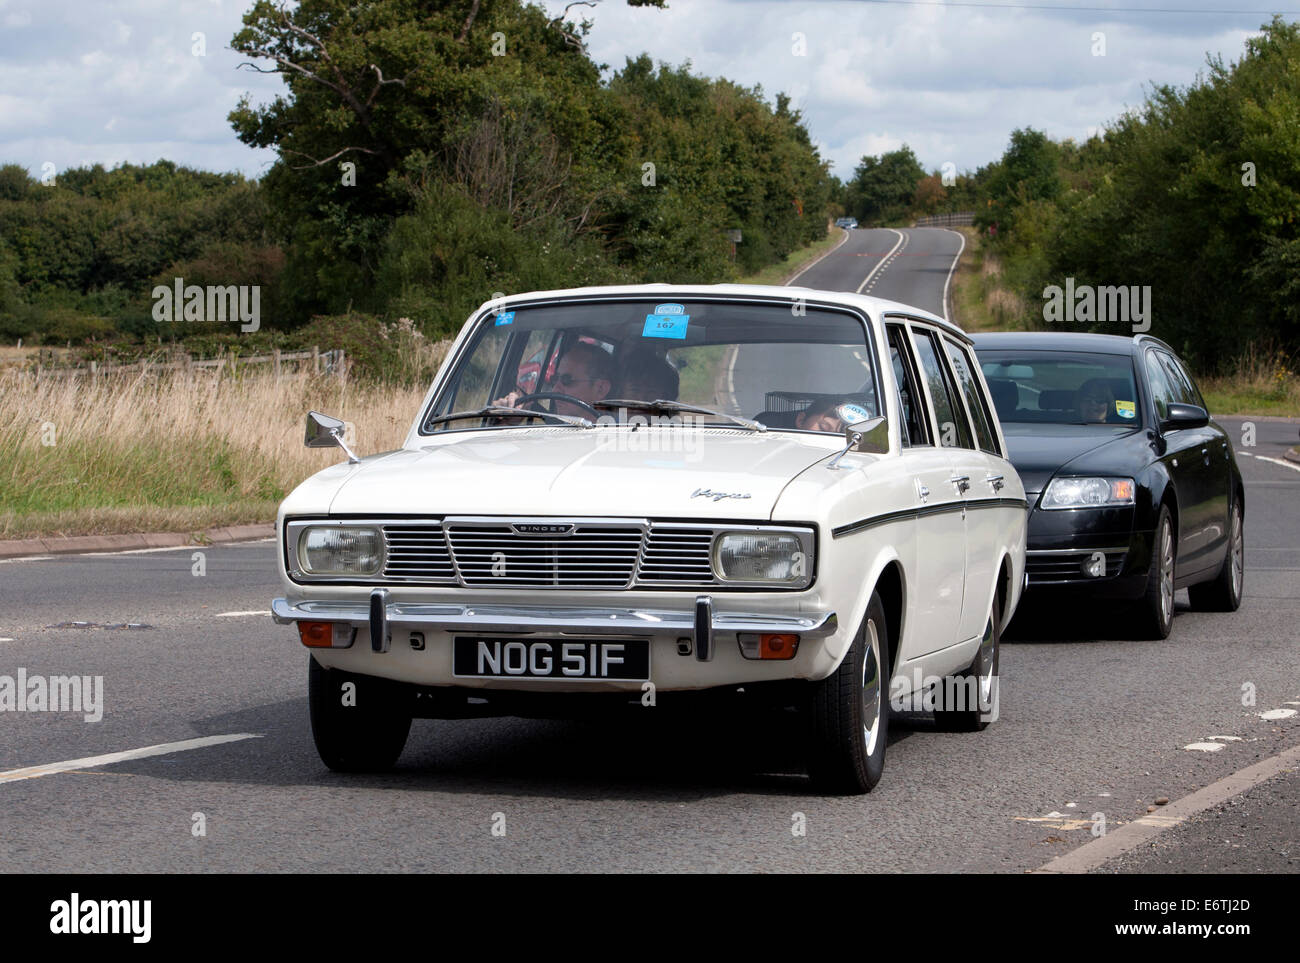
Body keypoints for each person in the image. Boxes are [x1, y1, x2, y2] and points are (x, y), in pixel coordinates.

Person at [494, 341, 615, 418]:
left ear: (600, 389)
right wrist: (506, 420)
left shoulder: (616, 443)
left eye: (567, 380)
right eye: (555, 379)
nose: (555, 389)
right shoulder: (546, 428)